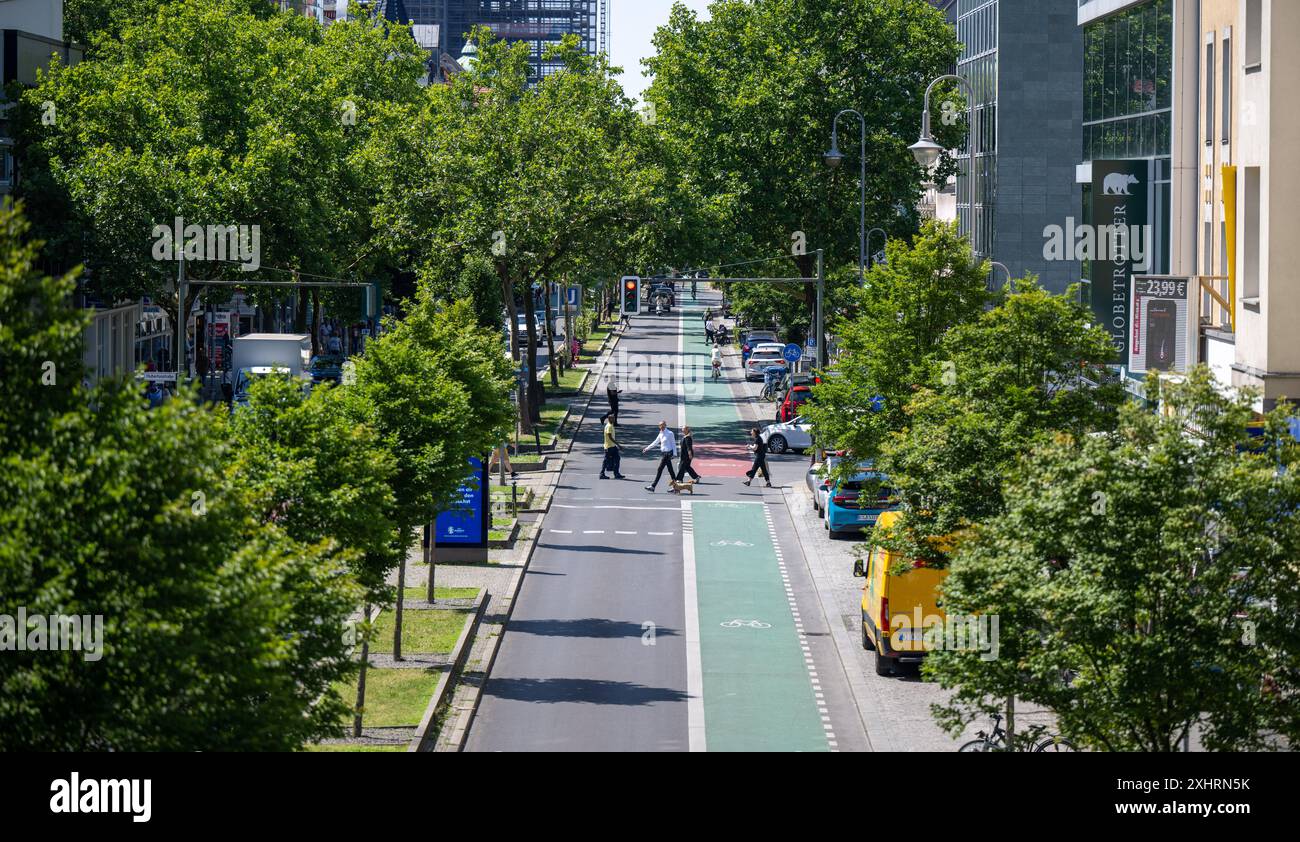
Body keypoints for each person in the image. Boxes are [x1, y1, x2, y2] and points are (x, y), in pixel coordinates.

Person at [642, 420, 677, 492]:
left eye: (663, 425)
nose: (661, 426)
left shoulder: (670, 433)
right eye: (660, 425)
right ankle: (676, 486)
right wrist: (647, 448)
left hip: (668, 454)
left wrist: (674, 454)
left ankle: (653, 486)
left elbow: (673, 444)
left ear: (665, 425)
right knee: (670, 470)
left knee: (660, 469)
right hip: (664, 454)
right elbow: (655, 442)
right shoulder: (661, 433)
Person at [599, 413, 625, 480]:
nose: (614, 419)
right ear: (609, 419)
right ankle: (602, 474)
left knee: (617, 459)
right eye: (613, 418)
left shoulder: (611, 425)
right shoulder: (609, 426)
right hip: (609, 447)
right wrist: (618, 445)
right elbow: (610, 437)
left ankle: (616, 473)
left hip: (612, 446)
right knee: (606, 460)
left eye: (614, 418)